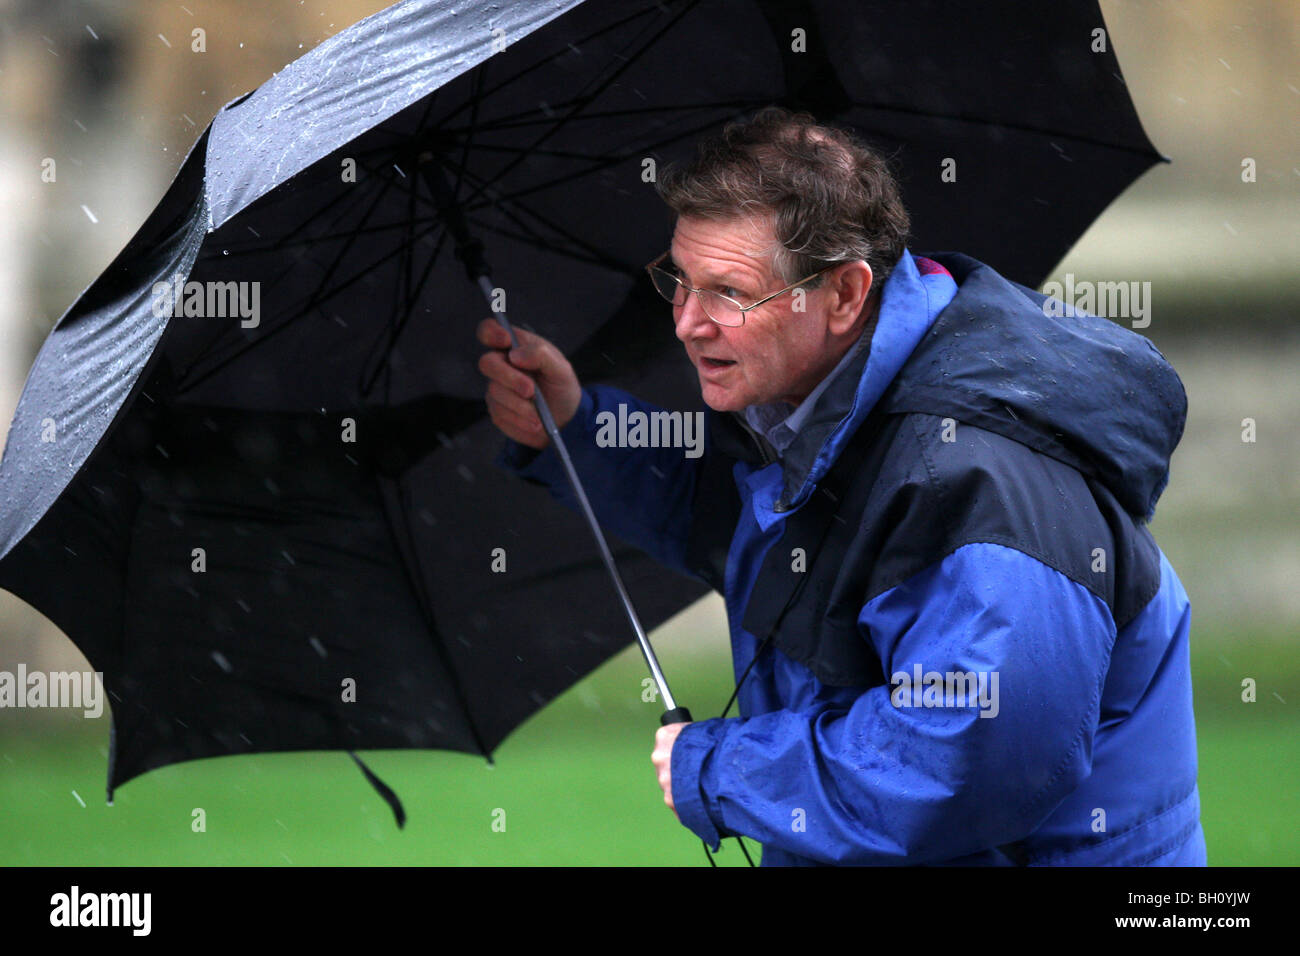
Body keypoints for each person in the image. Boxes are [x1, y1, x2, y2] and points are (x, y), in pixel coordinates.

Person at [476, 107, 1206, 866]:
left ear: (846, 295)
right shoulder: (819, 400)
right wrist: (573, 428)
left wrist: (720, 767)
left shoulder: (977, 483)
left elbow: (964, 767)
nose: (688, 322)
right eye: (678, 281)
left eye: (728, 292)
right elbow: (757, 530)